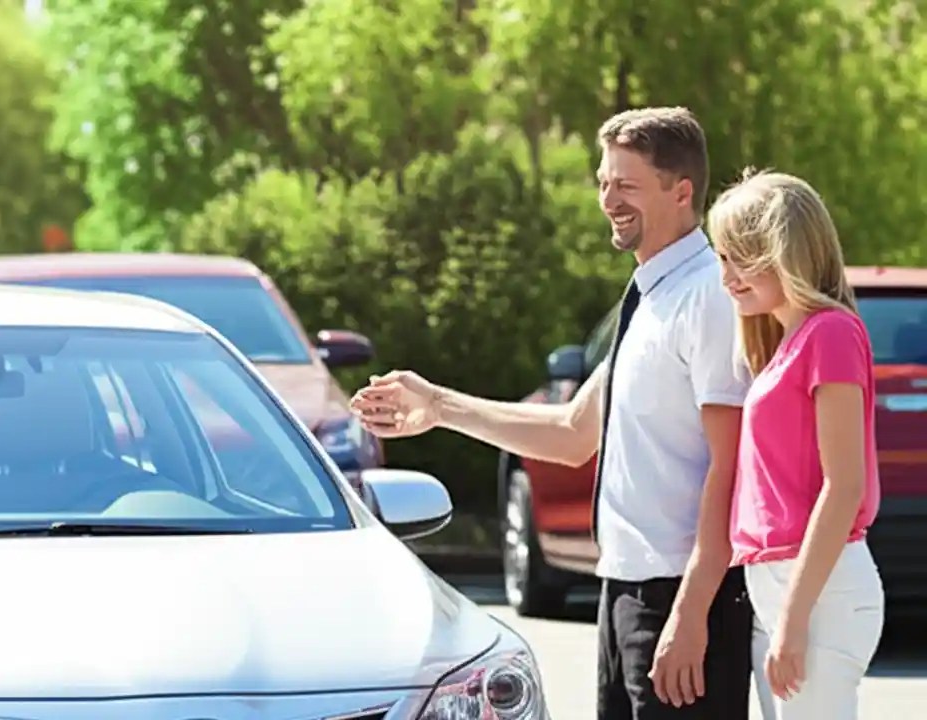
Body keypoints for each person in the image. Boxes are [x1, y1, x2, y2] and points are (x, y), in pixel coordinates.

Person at [349, 106, 753, 720]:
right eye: (602, 182)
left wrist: (690, 615)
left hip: (680, 600)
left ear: (682, 191)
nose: (608, 199)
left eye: (626, 184)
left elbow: (732, 470)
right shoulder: (651, 295)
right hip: (624, 594)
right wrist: (439, 406)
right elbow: (572, 434)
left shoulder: (708, 297)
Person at [709, 169, 884, 720]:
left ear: (787, 252)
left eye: (743, 256)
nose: (728, 276)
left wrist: (793, 619)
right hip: (786, 587)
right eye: (722, 258)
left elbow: (844, 485)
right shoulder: (788, 340)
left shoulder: (829, 333)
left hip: (819, 593)